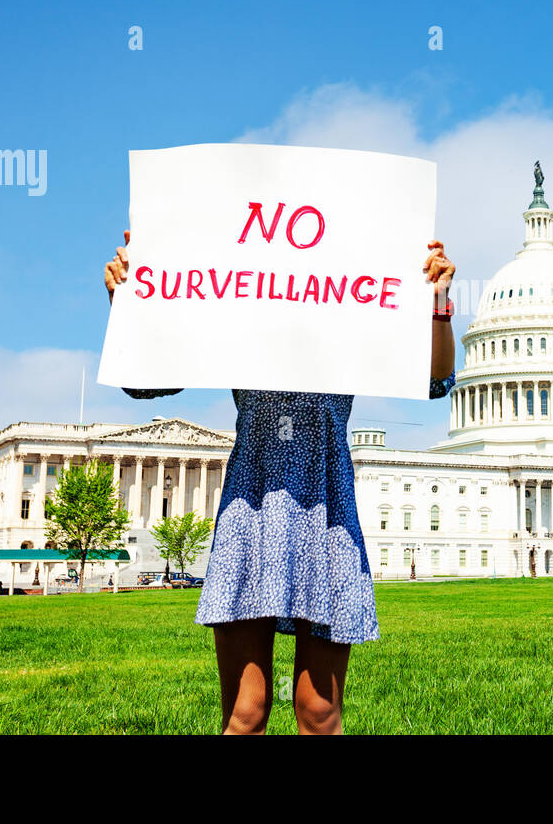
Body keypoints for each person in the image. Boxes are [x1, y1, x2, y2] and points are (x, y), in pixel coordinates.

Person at [104, 229, 457, 735]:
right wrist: (130, 298)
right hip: (253, 509)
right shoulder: (239, 309)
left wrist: (438, 299)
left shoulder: (356, 316)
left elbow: (434, 379)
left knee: (319, 712)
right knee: (246, 713)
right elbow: (143, 382)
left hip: (326, 514)